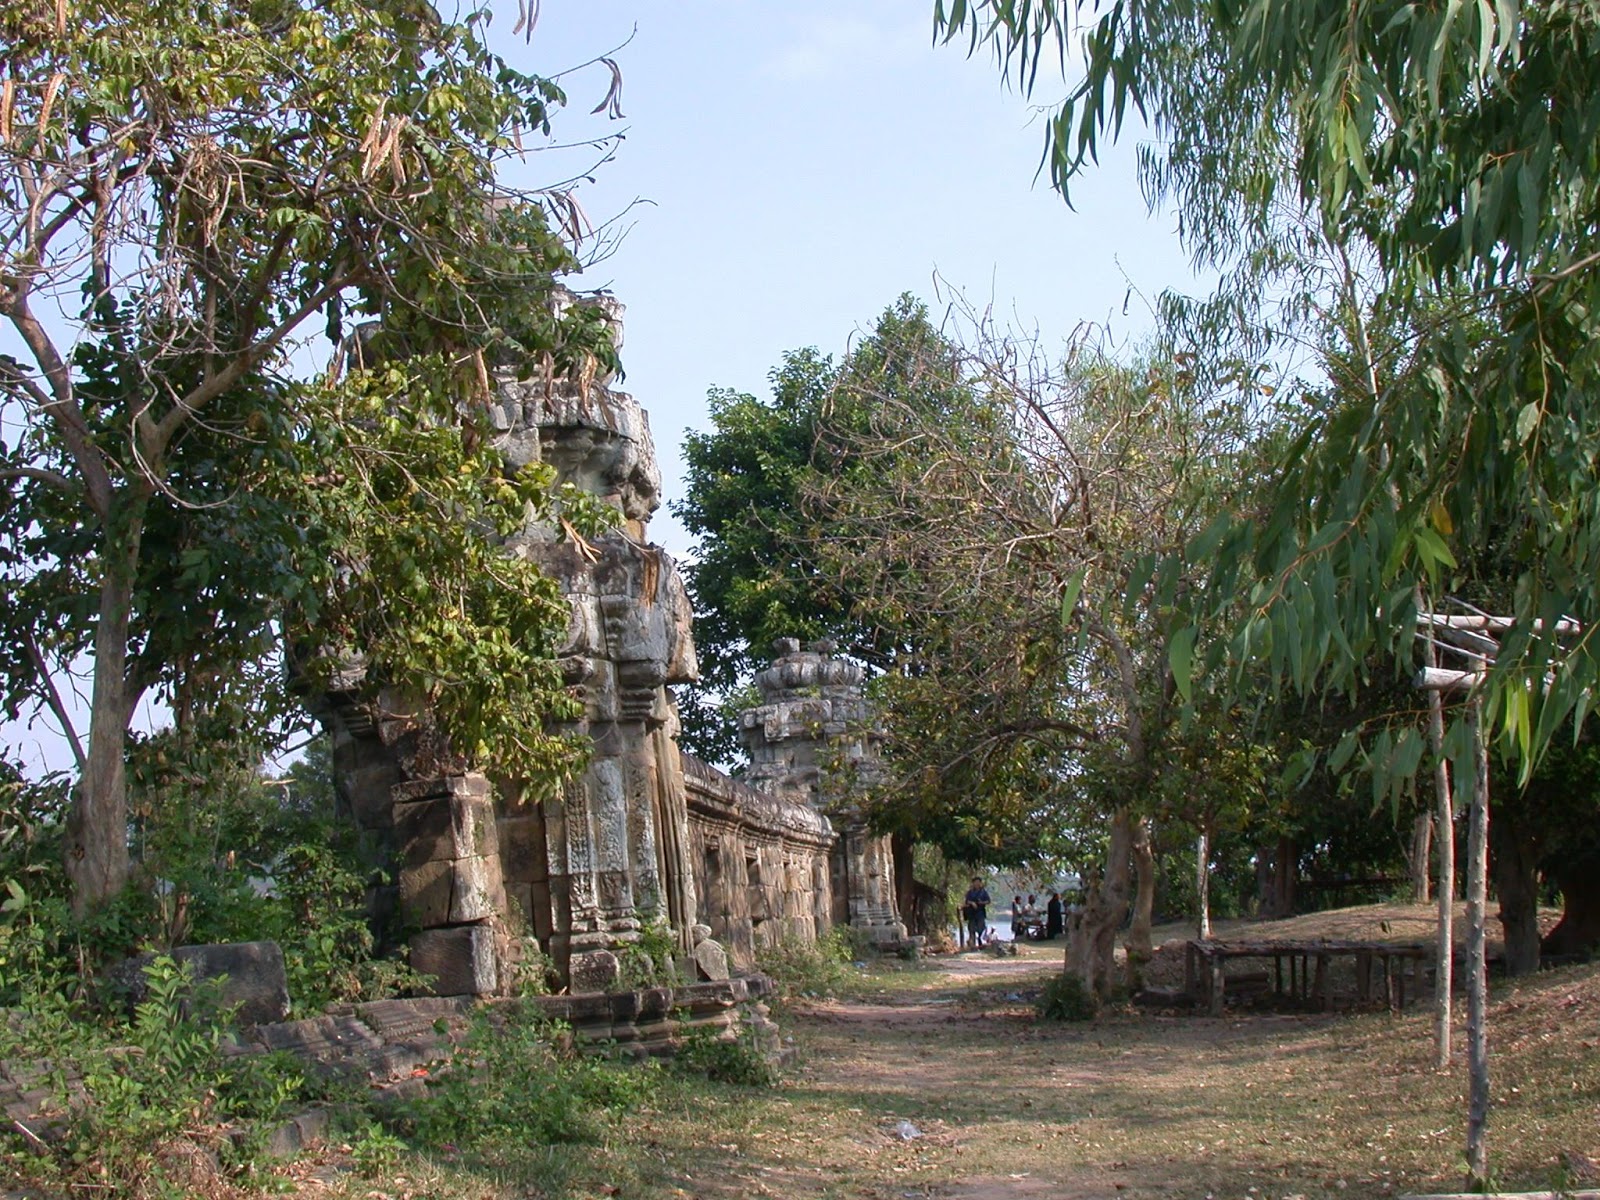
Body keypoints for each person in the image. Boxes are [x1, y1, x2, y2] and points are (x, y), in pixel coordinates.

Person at [962, 877, 991, 948]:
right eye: (975, 882)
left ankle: (981, 944)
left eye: (978, 882)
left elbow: (988, 901)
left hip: (980, 912)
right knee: (971, 929)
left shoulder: (983, 892)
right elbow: (966, 901)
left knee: (981, 929)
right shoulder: (970, 892)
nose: (977, 884)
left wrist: (981, 902)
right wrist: (972, 903)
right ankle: (973, 946)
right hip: (971, 913)